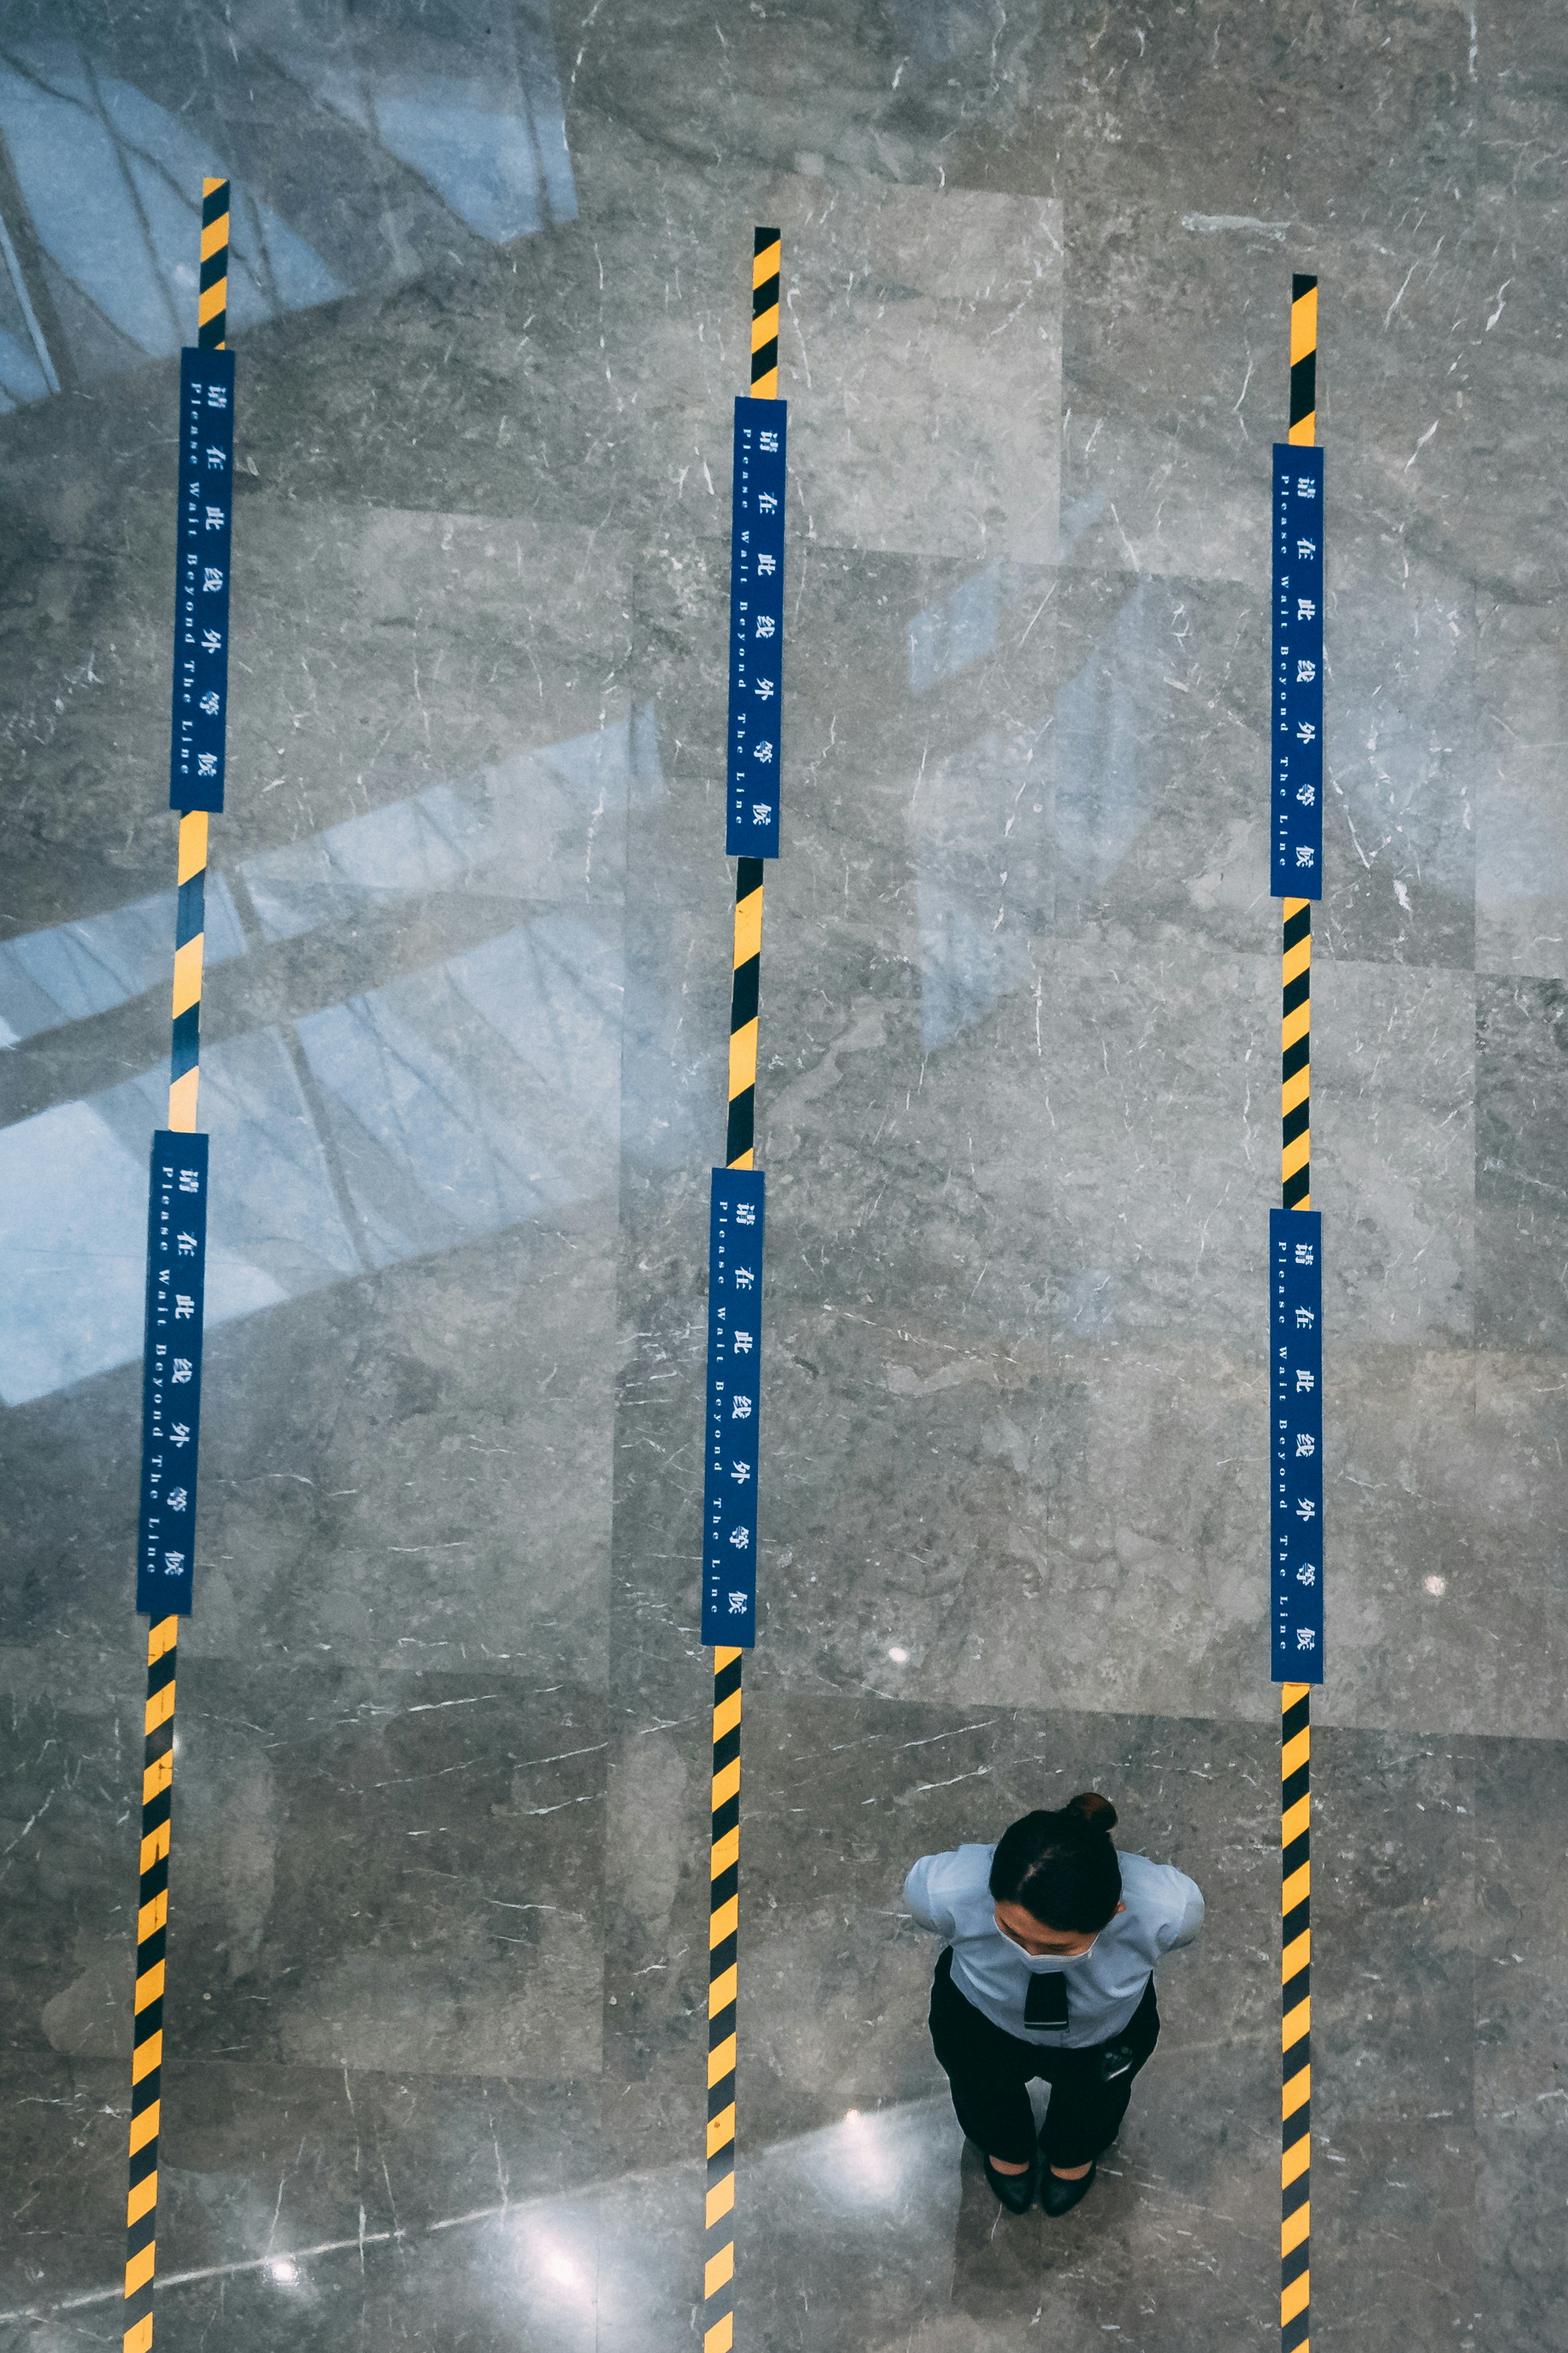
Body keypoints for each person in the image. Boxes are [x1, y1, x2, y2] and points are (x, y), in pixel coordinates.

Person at [903, 1792, 1203, 2215]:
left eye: (1057, 1948)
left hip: (1104, 2033)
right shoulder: (940, 1891)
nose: (1031, 1956)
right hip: (981, 2019)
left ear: (1114, 1912)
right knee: (980, 2090)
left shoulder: (1169, 1912)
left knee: (1094, 2103)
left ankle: (1072, 2156)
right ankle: (1006, 2150)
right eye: (1010, 1931)